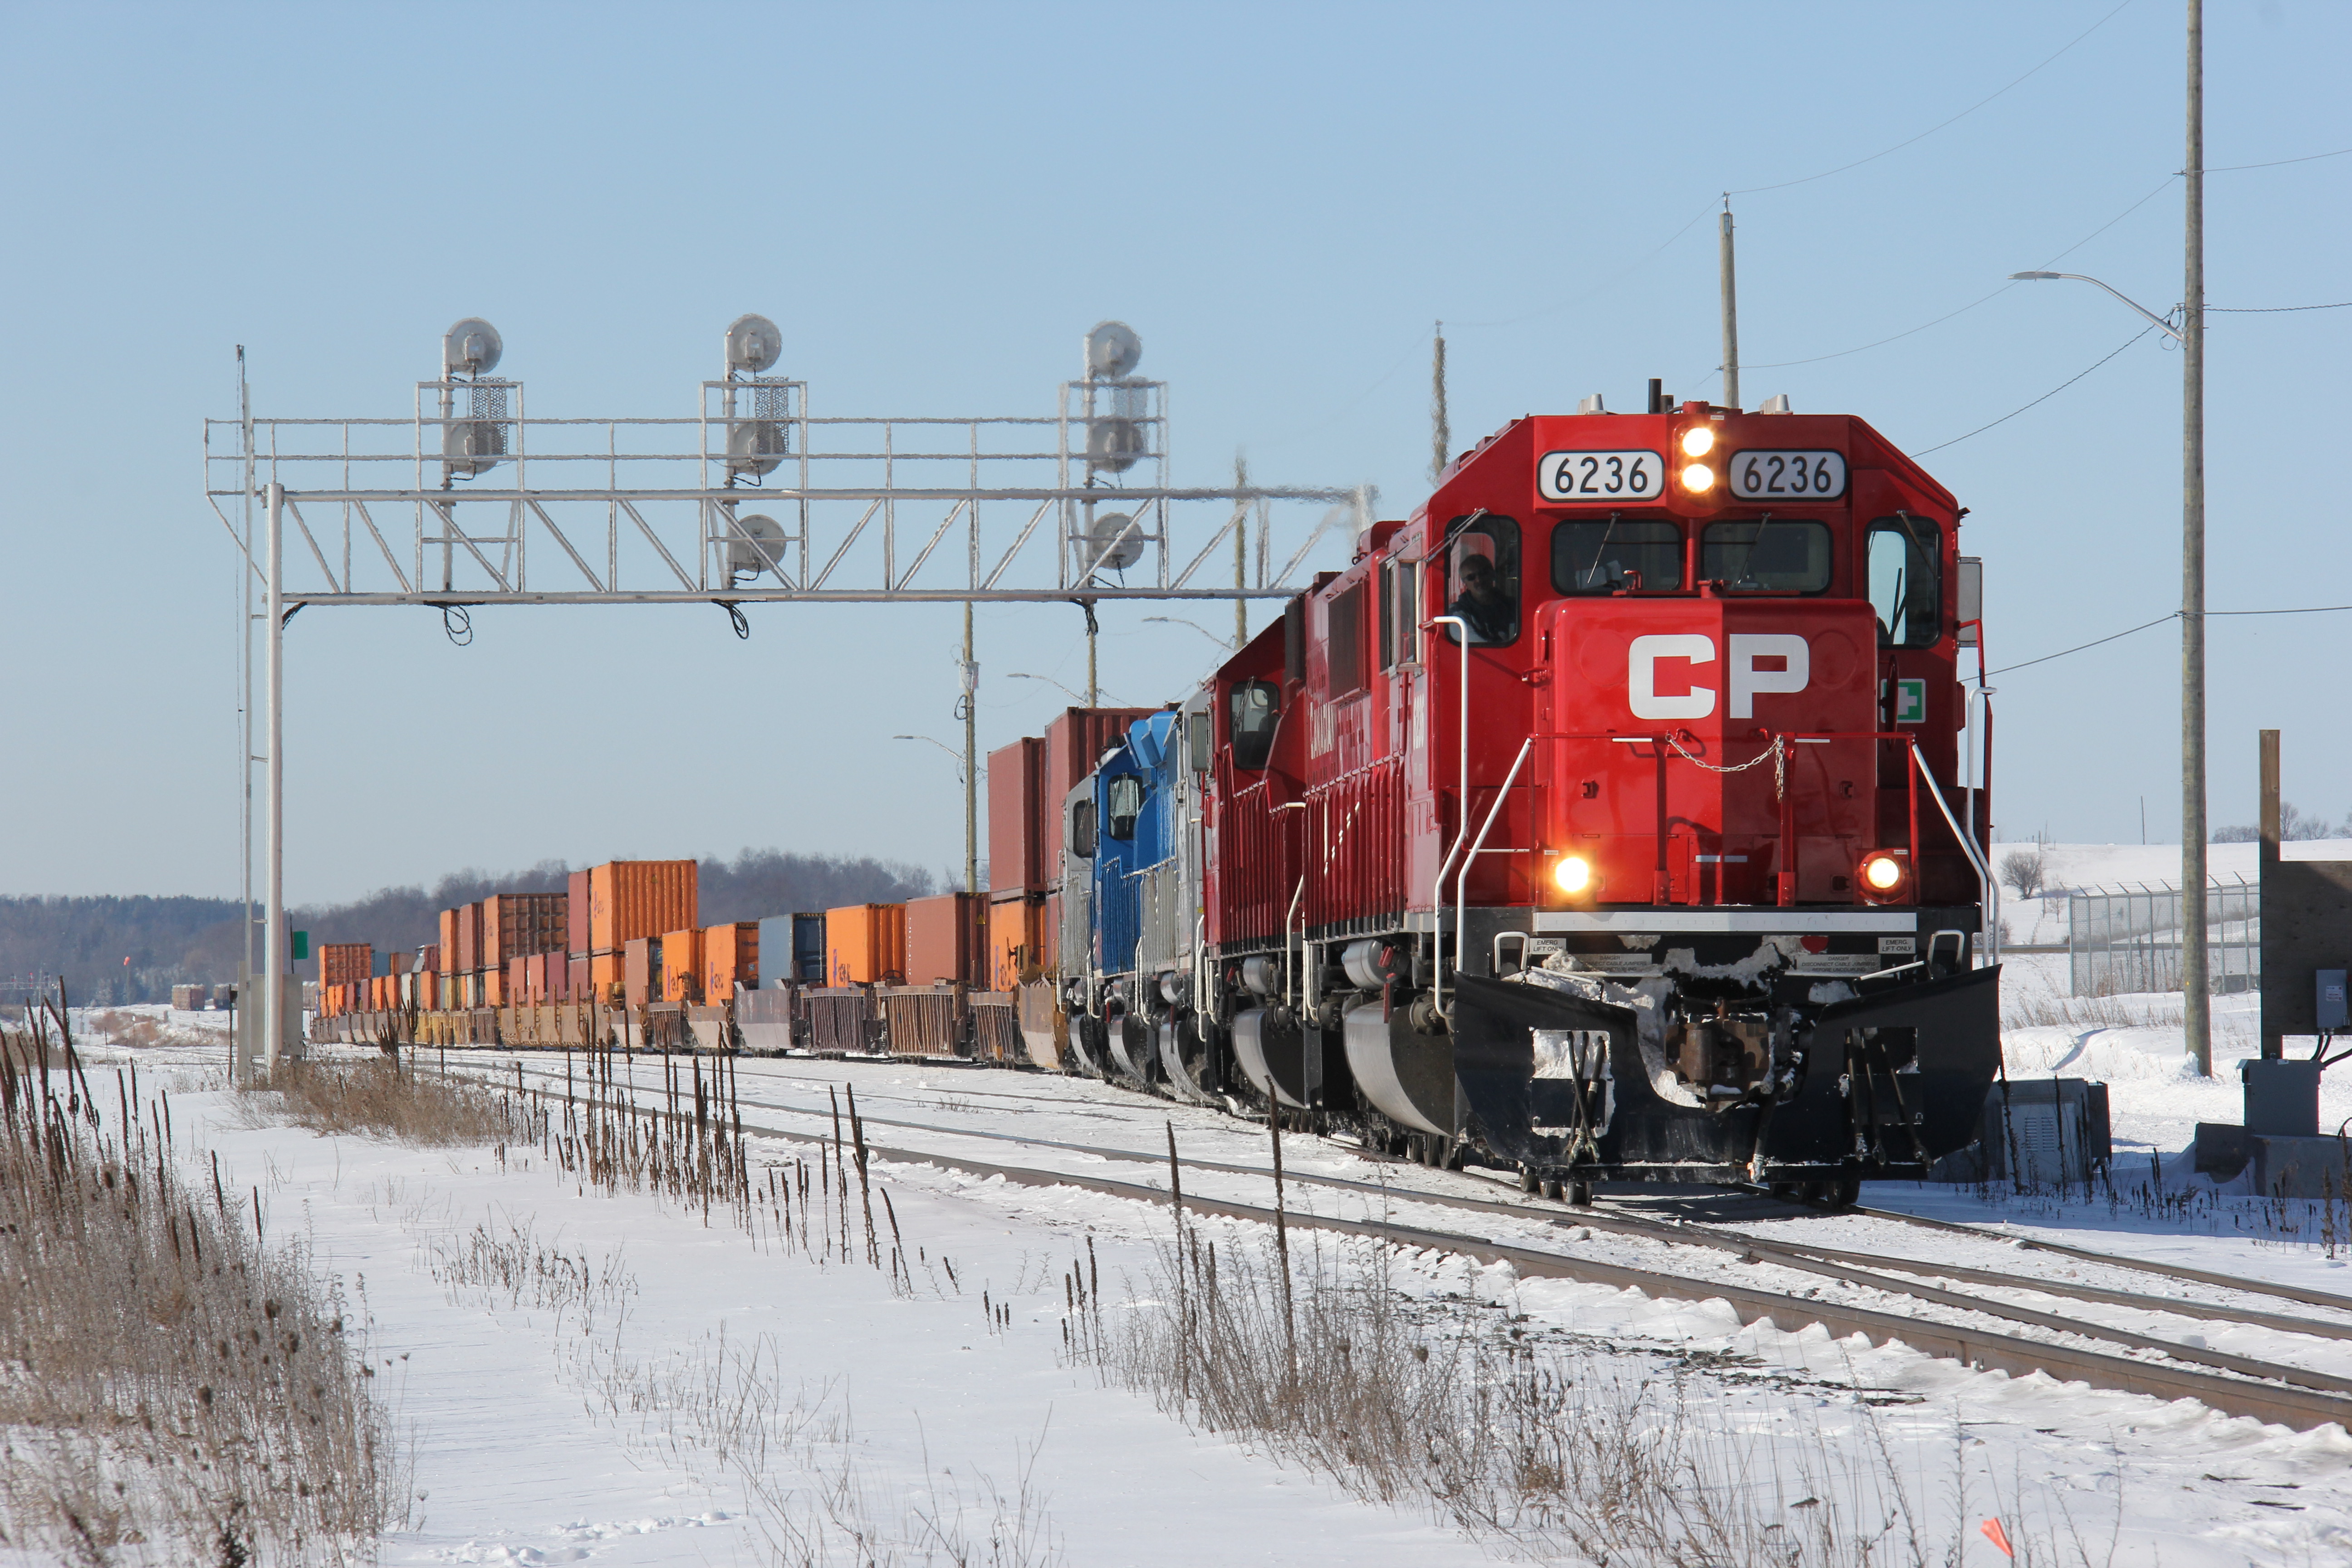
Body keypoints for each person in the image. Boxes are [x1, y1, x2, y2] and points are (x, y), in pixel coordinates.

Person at [1449, 551, 1515, 643]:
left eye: (1483, 573)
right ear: (1465, 583)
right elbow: (1473, 642)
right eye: (1471, 577)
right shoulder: (1458, 611)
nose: (1479, 580)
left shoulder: (1512, 606)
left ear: (1493, 575)